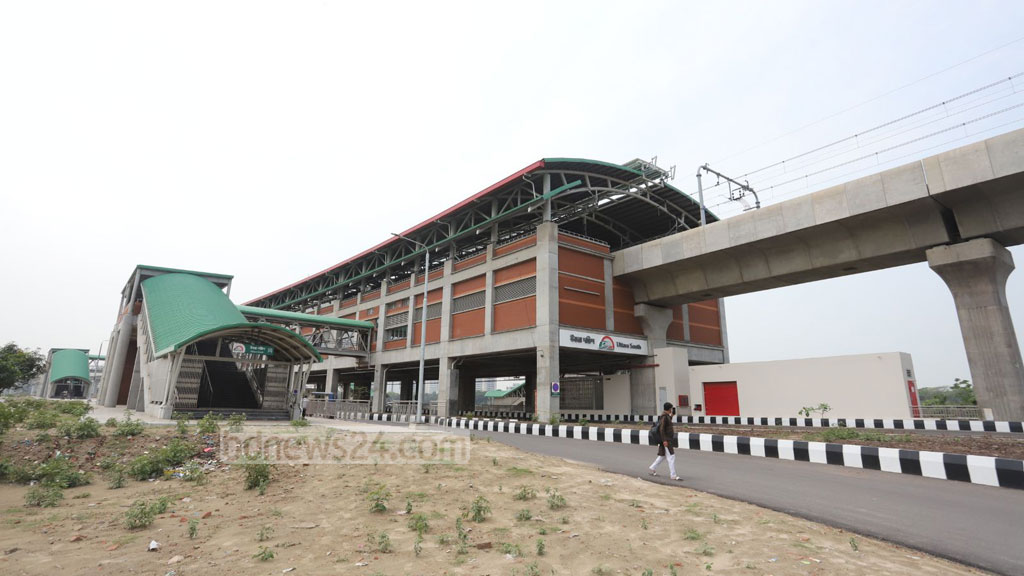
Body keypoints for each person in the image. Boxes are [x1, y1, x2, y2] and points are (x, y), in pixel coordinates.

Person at [648, 402, 680, 481]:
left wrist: (672, 416)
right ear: (669, 409)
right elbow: (661, 429)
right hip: (666, 439)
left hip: (666, 439)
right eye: (671, 408)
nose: (671, 410)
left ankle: (653, 467)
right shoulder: (664, 417)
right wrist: (664, 440)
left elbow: (667, 424)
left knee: (663, 456)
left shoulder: (666, 416)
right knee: (671, 456)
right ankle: (673, 475)